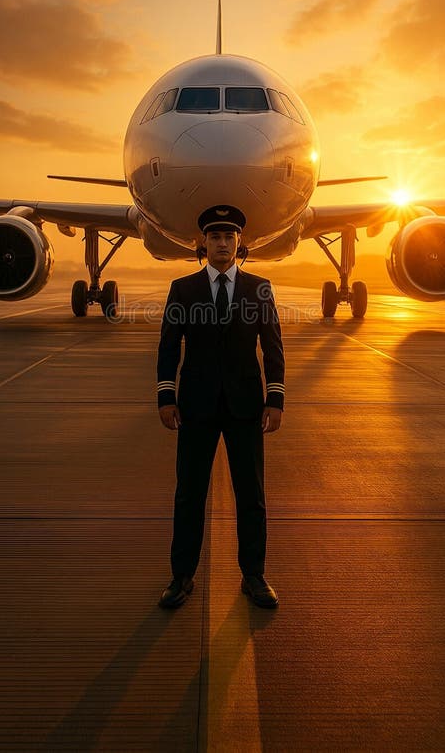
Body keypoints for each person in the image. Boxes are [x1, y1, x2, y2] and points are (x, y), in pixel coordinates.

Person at [157, 204, 285, 609]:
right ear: (204, 243)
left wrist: (275, 399)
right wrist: (166, 396)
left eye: (229, 237)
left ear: (239, 242)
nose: (223, 244)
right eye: (215, 237)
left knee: (252, 496)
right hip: (195, 406)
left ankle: (254, 576)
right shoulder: (183, 289)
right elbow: (167, 346)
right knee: (189, 495)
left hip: (246, 407)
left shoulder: (259, 288)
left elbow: (273, 347)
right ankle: (181, 577)